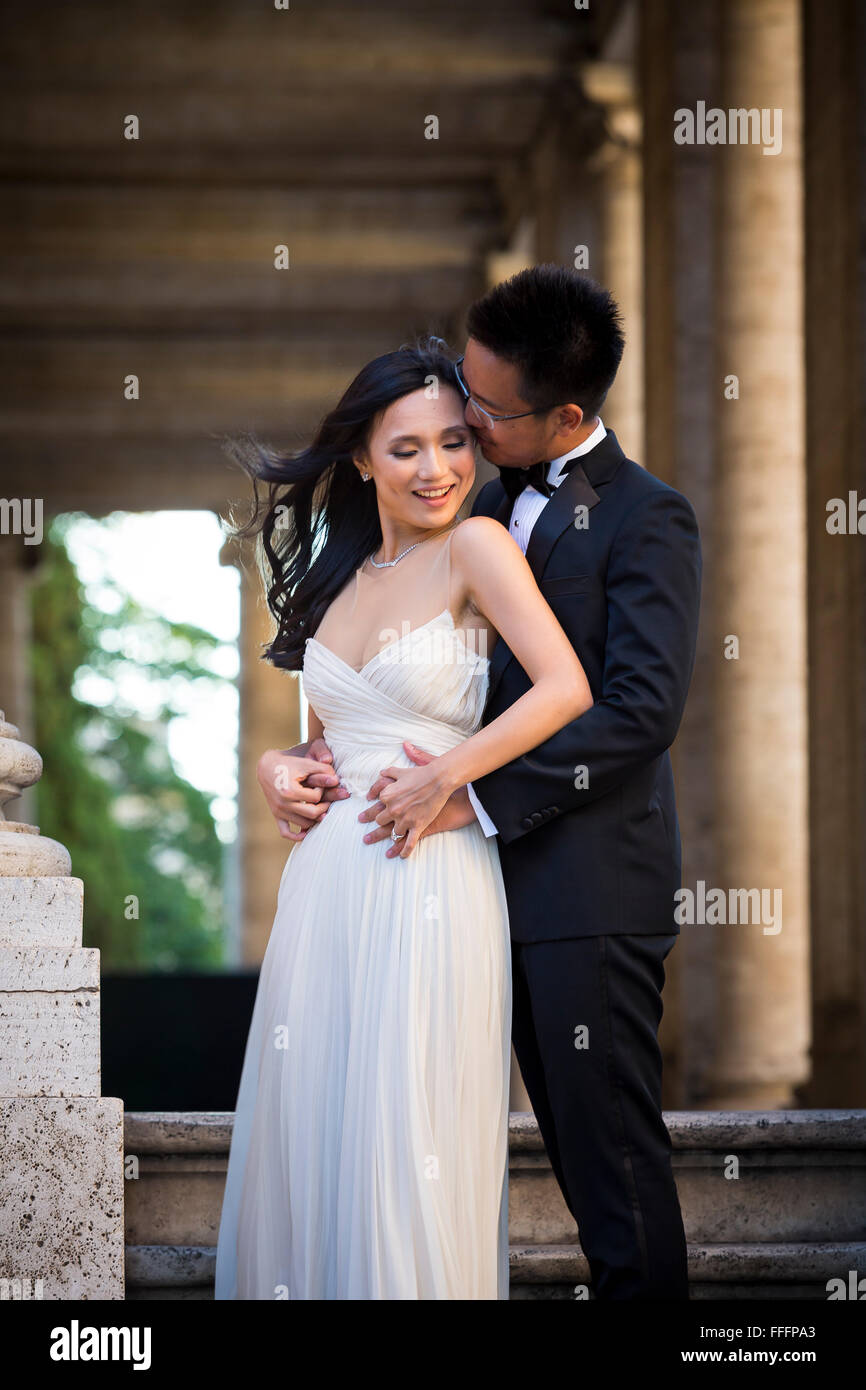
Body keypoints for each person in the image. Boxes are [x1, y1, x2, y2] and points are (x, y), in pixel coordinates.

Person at [275, 268, 702, 1299]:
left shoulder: (648, 518)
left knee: (606, 1163)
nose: (459, 418)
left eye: (481, 409)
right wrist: (295, 762)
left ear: (563, 414)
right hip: (454, 887)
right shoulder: (481, 497)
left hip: (583, 891)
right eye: (459, 389)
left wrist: (469, 795)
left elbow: (636, 711)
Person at [214, 337, 593, 1299]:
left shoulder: (479, 545)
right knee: (319, 1125)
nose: (439, 470)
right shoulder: (335, 578)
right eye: (407, 449)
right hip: (325, 892)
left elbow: (564, 689)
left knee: (410, 1128)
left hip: (431, 877)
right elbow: (327, 747)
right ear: (359, 460)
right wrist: (274, 767)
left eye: (456, 442)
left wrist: (454, 779)